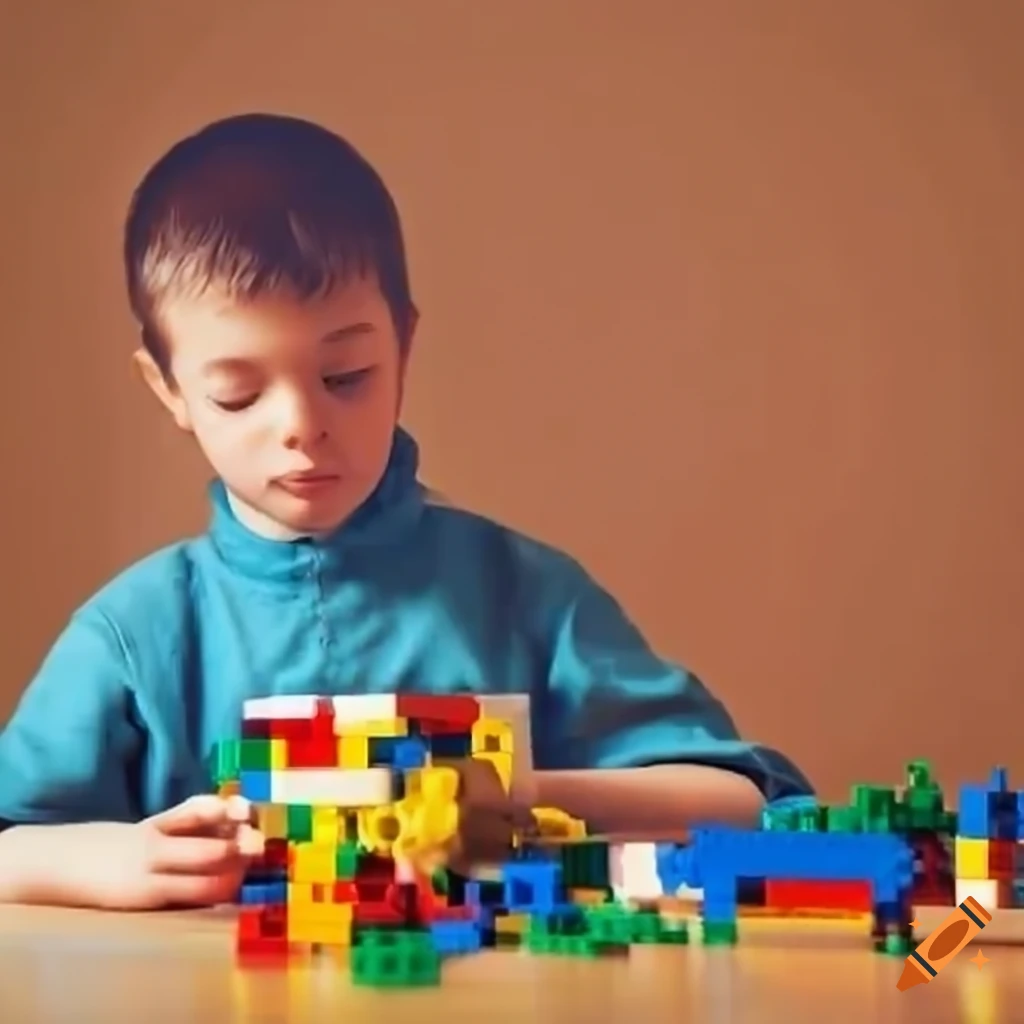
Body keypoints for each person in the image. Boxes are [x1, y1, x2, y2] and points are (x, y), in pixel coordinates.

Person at [0, 113, 814, 911]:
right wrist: (100, 861)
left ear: (404, 350)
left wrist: (519, 795)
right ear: (170, 390)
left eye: (346, 374)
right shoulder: (133, 634)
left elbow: (745, 800)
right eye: (237, 394)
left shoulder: (524, 593)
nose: (302, 427)